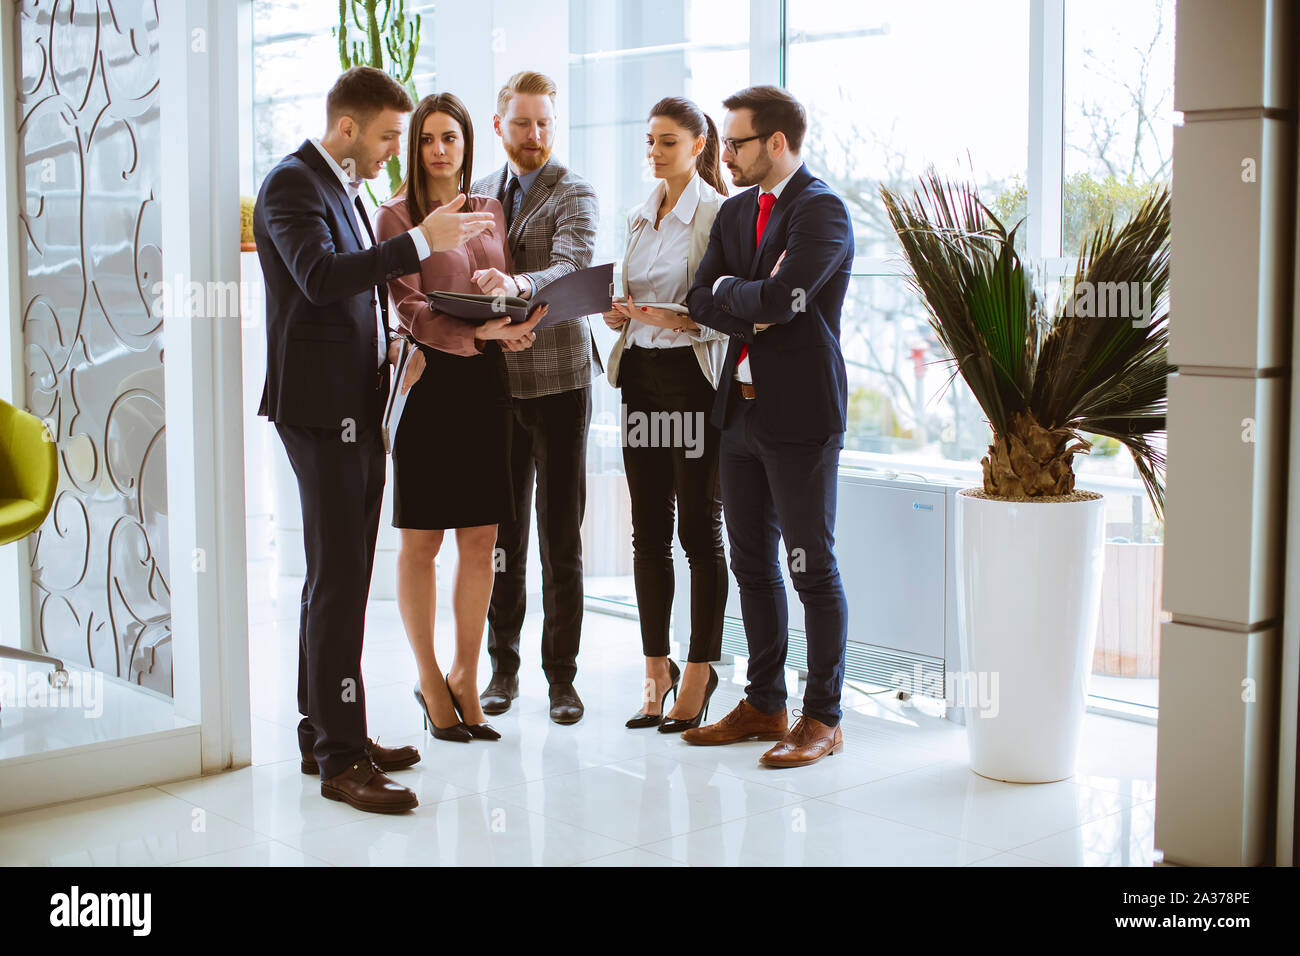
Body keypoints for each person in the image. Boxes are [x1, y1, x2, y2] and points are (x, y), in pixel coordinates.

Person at [255, 66, 496, 813]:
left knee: (340, 574)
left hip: (355, 405)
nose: (398, 150)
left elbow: (353, 294)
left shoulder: (346, 190)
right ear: (349, 128)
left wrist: (390, 346)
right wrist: (423, 239)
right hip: (321, 411)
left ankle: (324, 730)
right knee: (339, 581)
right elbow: (321, 277)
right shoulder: (293, 185)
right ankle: (341, 758)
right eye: (392, 135)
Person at [681, 85, 854, 768]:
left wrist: (736, 297)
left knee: (810, 567)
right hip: (740, 412)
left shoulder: (823, 211)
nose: (726, 153)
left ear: (776, 143)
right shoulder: (735, 211)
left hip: (802, 415)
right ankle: (764, 703)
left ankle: (823, 718)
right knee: (749, 561)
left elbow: (785, 300)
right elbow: (701, 298)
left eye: (737, 142)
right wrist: (734, 299)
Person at [375, 93, 545, 745]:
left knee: (482, 541)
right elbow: (408, 308)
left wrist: (512, 316)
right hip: (429, 383)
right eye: (427, 139)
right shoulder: (394, 216)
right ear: (415, 146)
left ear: (468, 145)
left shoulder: (489, 208)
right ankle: (427, 676)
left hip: (485, 385)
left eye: (451, 138)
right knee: (423, 540)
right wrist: (484, 336)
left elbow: (490, 284)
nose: (440, 150)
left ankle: (466, 676)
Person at [469, 71, 600, 725]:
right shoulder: (478, 195)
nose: (535, 134)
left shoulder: (575, 190)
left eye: (545, 122)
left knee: (560, 536)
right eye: (522, 123)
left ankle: (562, 680)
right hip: (498, 382)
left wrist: (516, 284)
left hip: (560, 384)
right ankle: (503, 669)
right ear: (500, 127)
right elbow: (461, 276)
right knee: (503, 536)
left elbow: (572, 266)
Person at [602, 97, 729, 732]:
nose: (655, 152)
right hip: (641, 380)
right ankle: (656, 672)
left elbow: (725, 314)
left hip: (691, 381)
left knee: (697, 530)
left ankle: (701, 673)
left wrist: (676, 317)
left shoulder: (716, 216)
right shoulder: (637, 214)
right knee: (647, 531)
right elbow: (627, 293)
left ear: (699, 145)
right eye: (650, 140)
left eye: (668, 142)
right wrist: (620, 312)